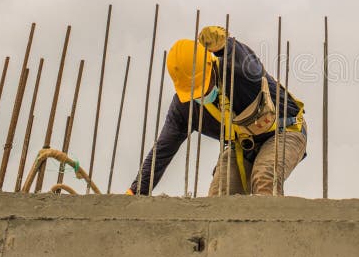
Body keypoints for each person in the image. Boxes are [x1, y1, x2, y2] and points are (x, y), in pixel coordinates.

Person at [127, 26, 306, 196]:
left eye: (203, 86)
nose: (202, 94)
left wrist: (226, 45)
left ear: (210, 65)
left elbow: (249, 62)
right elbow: (163, 150)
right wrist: (135, 191)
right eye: (195, 91)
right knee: (220, 196)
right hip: (243, 146)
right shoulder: (185, 107)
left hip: (284, 131)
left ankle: (270, 227)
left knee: (265, 177)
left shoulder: (238, 71)